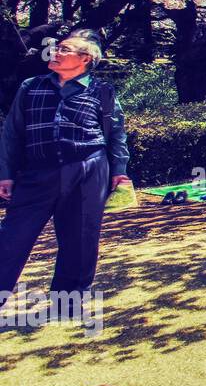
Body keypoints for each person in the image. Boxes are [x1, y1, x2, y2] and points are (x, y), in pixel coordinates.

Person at [0, 29, 130, 307]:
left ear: (85, 58)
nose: (55, 52)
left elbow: (117, 132)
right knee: (12, 236)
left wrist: (119, 169)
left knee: (80, 236)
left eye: (64, 49)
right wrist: (6, 174)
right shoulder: (31, 86)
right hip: (37, 171)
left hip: (89, 169)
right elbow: (12, 132)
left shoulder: (102, 91)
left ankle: (68, 302)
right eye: (57, 48)